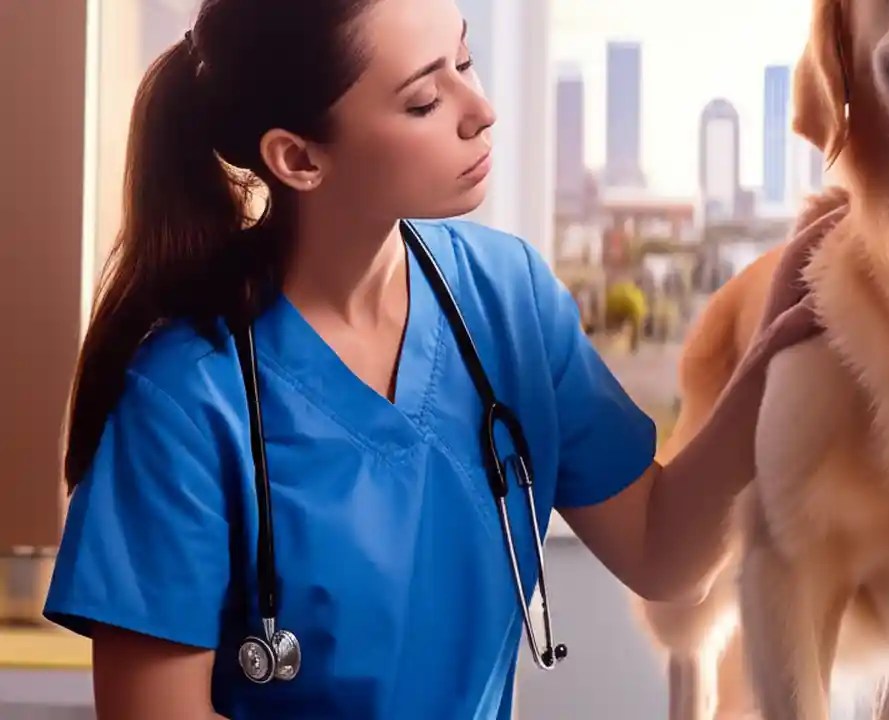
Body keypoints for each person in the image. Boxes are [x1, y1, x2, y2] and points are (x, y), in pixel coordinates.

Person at [42, 0, 847, 717]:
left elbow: (662, 550)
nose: (482, 110)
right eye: (426, 98)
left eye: (465, 60)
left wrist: (771, 362)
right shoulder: (183, 397)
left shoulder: (509, 297)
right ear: (298, 159)